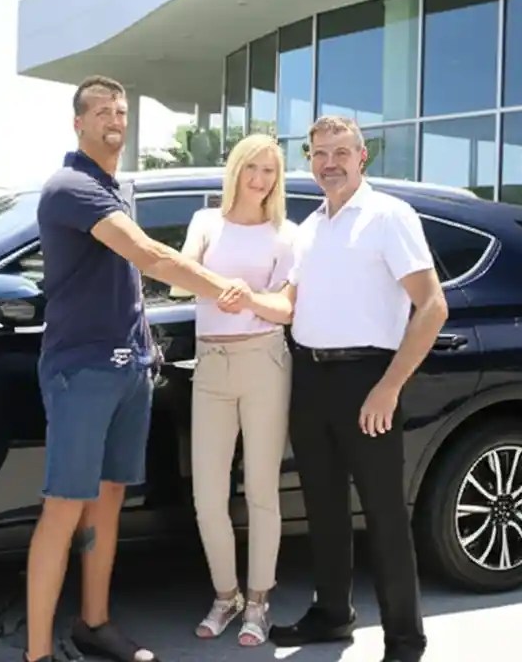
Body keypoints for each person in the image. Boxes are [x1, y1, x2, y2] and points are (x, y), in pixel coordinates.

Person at [24, 75, 251, 662]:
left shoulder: (118, 185)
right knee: (63, 508)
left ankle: (94, 624)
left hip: (130, 368)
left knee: (107, 500)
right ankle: (36, 654)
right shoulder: (70, 187)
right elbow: (146, 255)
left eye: (121, 110)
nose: (114, 119)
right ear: (78, 123)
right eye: (101, 111)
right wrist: (222, 285)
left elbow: (123, 280)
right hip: (82, 370)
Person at [223, 115, 448, 662]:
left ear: (362, 155)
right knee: (323, 507)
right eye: (320, 154)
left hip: (368, 379)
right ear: (309, 159)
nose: (330, 164)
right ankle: (332, 614)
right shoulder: (311, 227)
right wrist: (247, 298)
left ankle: (404, 639)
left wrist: (388, 387)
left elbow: (432, 306)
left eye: (341, 153)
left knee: (384, 515)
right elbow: (288, 305)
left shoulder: (389, 216)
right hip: (311, 377)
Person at [174, 133, 296, 647]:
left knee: (262, 490)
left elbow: (286, 308)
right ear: (236, 170)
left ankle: (259, 602)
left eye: (270, 171)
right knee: (208, 496)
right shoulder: (206, 222)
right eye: (253, 168)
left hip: (265, 360)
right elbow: (180, 280)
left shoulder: (286, 234)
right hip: (212, 365)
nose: (261, 180)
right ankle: (226, 596)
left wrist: (248, 297)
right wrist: (218, 288)